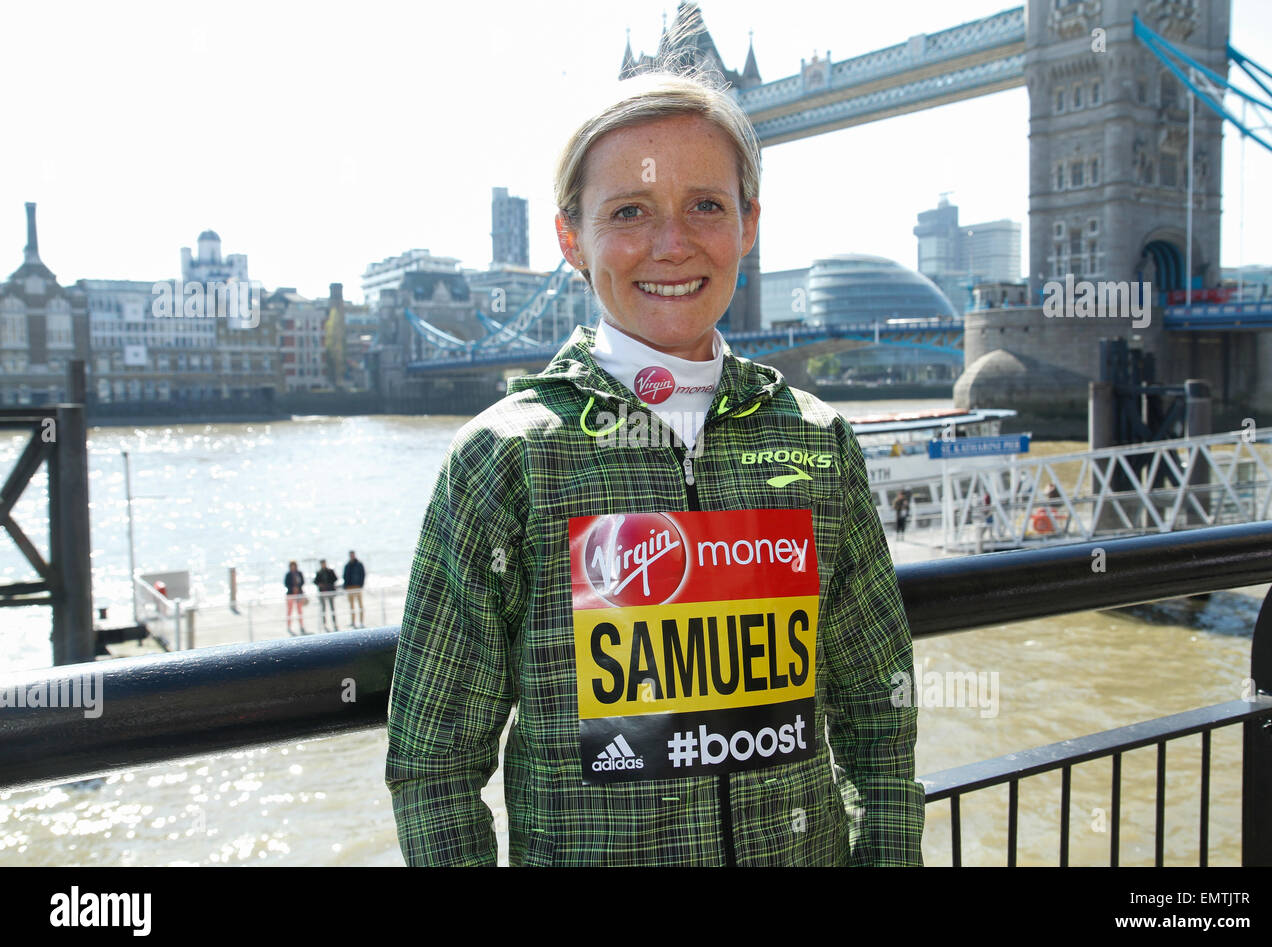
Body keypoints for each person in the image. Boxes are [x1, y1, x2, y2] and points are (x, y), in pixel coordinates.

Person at [386, 69, 922, 867]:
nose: (673, 245)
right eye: (630, 212)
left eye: (707, 204)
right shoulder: (510, 461)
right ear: (572, 239)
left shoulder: (820, 443)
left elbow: (880, 722)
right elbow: (435, 769)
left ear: (749, 225)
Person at [314, 559, 339, 631]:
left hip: (330, 592)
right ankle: (324, 623)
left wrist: (330, 585)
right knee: (323, 609)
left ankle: (334, 622)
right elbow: (315, 581)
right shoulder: (319, 572)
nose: (323, 565)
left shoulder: (330, 571)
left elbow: (335, 579)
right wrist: (321, 585)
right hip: (323, 592)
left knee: (332, 608)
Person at [343, 550, 365, 628]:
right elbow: (345, 576)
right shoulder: (347, 565)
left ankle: (361, 622)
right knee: (351, 606)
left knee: (360, 605)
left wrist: (361, 585)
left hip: (357, 586)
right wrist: (345, 586)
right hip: (350, 587)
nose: (352, 556)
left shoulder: (359, 564)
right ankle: (353, 622)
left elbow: (363, 574)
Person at [284, 560, 306, 636]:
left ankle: (301, 625)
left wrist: (298, 588)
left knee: (300, 611)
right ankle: (289, 626)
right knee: (289, 611)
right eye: (291, 566)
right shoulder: (288, 574)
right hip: (290, 594)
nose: (293, 567)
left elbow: (302, 582)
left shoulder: (299, 573)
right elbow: (286, 584)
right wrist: (292, 588)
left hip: (299, 594)